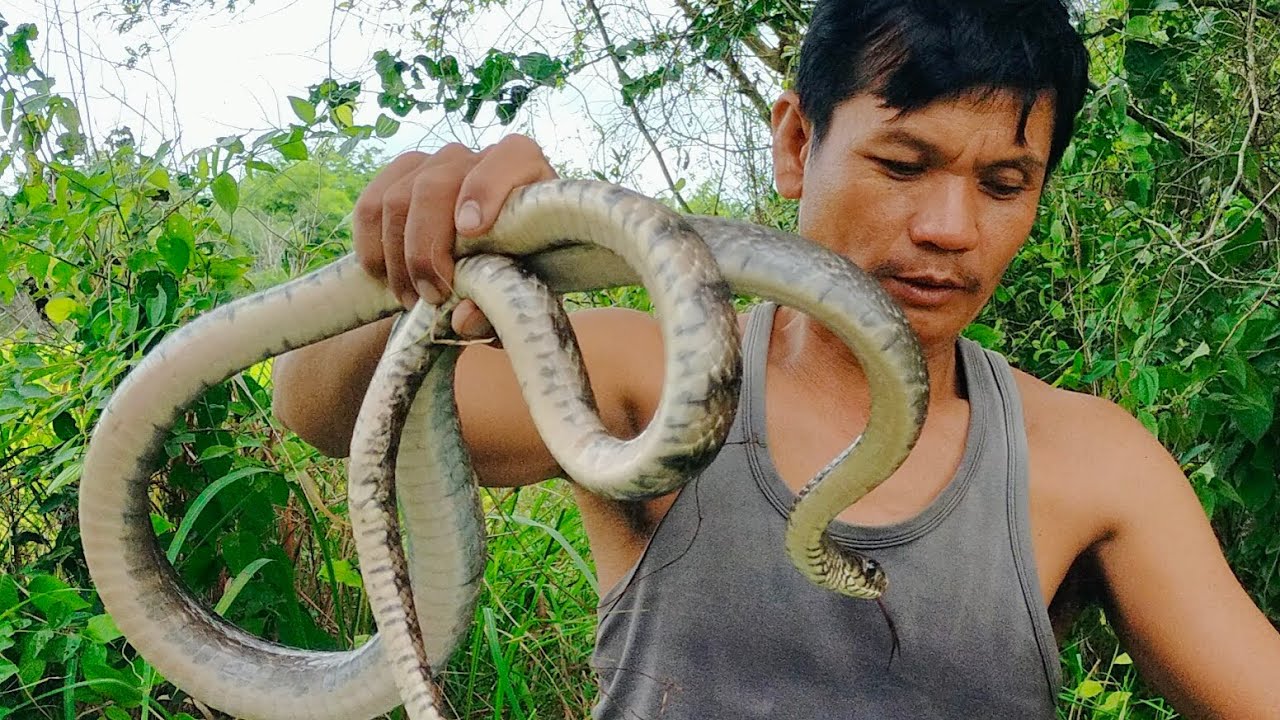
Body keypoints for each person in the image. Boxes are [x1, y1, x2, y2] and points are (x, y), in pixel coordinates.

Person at [271, 0, 1280, 717]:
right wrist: (427, 261)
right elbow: (323, 409)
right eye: (901, 163)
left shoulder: (1090, 460)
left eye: (1003, 182)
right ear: (796, 143)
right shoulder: (643, 378)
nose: (947, 227)